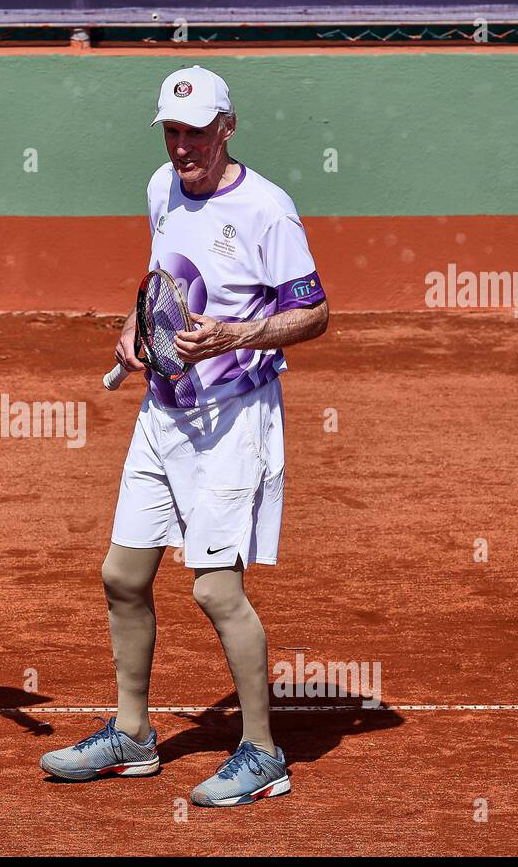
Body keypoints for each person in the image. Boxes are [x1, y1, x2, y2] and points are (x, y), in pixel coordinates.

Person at [39, 66, 330, 807]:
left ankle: (263, 751)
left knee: (215, 588)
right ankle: (135, 738)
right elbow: (158, 276)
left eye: (196, 131)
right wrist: (136, 327)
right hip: (162, 412)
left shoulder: (268, 209)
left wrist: (238, 332)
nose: (182, 147)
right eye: (171, 131)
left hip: (235, 422)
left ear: (227, 126)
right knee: (123, 575)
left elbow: (315, 313)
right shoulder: (159, 188)